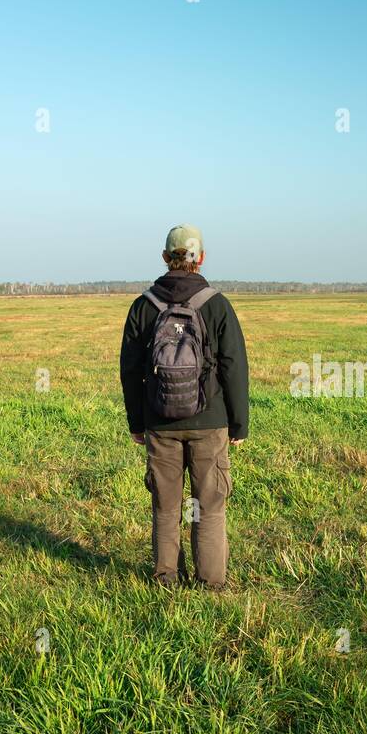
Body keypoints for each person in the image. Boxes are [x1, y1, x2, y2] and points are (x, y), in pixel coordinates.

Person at [119, 224, 249, 587]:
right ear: (201, 258)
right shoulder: (218, 305)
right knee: (209, 507)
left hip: (159, 423)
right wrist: (238, 424)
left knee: (165, 507)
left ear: (165, 258)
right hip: (210, 421)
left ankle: (167, 580)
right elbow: (234, 367)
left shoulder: (143, 307)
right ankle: (211, 583)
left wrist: (137, 422)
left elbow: (129, 370)